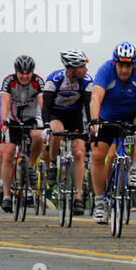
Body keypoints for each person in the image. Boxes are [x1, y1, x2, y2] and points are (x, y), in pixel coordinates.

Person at [88, 41, 136, 224]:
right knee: (97, 155)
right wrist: (94, 120)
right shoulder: (105, 71)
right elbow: (95, 97)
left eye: (128, 65)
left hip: (132, 114)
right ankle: (100, 202)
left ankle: (135, 169)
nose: (124, 70)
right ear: (114, 63)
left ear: (134, 64)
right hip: (107, 116)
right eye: (121, 65)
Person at [41, 50, 92, 215]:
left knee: (79, 152)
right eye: (81, 66)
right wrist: (46, 126)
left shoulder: (87, 81)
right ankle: (53, 165)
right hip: (56, 114)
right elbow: (46, 107)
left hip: (75, 116)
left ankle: (78, 197)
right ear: (71, 69)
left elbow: (88, 107)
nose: (85, 69)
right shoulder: (54, 80)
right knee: (57, 131)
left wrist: (91, 126)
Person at [0, 55, 45, 214]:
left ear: (33, 72)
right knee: (9, 153)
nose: (25, 76)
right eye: (21, 73)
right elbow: (4, 103)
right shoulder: (8, 81)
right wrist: (4, 120)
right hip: (13, 118)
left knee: (39, 136)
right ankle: (6, 195)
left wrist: (47, 122)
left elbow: (43, 102)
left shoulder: (38, 81)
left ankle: (30, 165)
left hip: (32, 116)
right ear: (16, 72)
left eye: (28, 73)